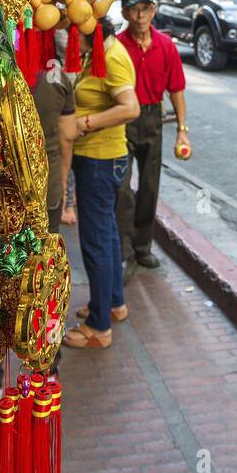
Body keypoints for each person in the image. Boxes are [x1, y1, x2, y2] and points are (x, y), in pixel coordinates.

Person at [62, 17, 140, 351]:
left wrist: (84, 123)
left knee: (95, 241)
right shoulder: (97, 54)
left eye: (73, 34)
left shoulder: (111, 57)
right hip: (98, 159)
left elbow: (130, 107)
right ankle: (112, 304)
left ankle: (98, 327)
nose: (69, 40)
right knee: (106, 236)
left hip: (100, 161)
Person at [115, 0, 189, 280]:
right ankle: (123, 249)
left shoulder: (166, 46)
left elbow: (177, 90)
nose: (140, 14)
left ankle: (143, 247)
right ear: (125, 13)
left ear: (154, 11)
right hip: (122, 120)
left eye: (146, 8)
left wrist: (183, 131)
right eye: (134, 9)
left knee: (149, 186)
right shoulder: (117, 45)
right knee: (121, 189)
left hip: (152, 118)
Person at [32, 36, 78, 231]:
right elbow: (66, 138)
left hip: (0, 194)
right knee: (44, 256)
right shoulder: (58, 78)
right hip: (47, 186)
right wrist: (63, 186)